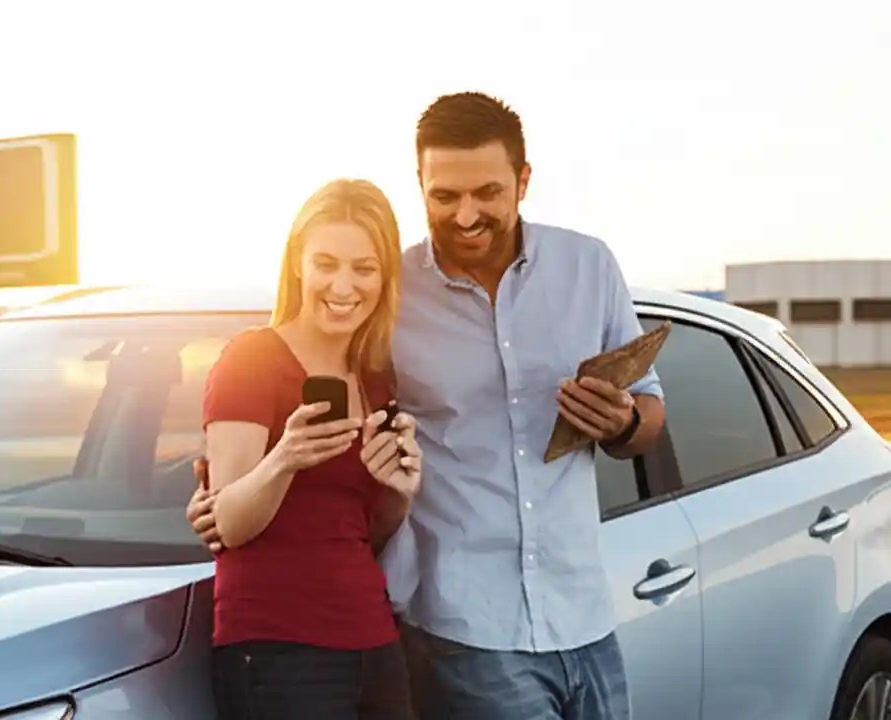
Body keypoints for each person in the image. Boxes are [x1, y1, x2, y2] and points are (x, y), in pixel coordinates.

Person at [189, 92, 665, 720]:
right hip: (460, 625)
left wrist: (624, 422)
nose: (466, 215)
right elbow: (245, 490)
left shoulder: (588, 267)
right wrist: (243, 484)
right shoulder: (387, 298)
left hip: (583, 611)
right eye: (445, 196)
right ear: (420, 185)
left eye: (487, 193)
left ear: (523, 182)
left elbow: (650, 413)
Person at [195, 177, 424, 720]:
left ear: (385, 277)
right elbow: (227, 524)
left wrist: (401, 490)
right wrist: (285, 458)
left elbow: (364, 532)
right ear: (297, 263)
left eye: (364, 268)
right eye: (326, 263)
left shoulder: (374, 379)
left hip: (372, 639)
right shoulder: (251, 359)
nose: (343, 286)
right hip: (278, 650)